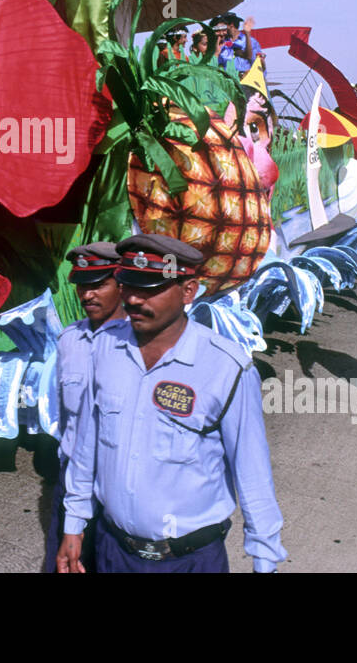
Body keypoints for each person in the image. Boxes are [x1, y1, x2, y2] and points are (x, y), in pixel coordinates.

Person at [57, 234, 286, 573]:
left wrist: (264, 560)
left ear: (189, 290)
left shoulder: (224, 366)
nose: (133, 299)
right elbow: (87, 442)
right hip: (113, 552)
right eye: (127, 286)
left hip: (190, 561)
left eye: (149, 289)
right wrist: (74, 523)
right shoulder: (104, 347)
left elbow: (251, 469)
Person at [43, 242, 127, 573]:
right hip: (72, 476)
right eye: (81, 285)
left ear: (121, 284)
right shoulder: (69, 340)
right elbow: (66, 415)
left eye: (98, 284)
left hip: (117, 481)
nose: (86, 295)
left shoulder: (138, 342)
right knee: (63, 565)